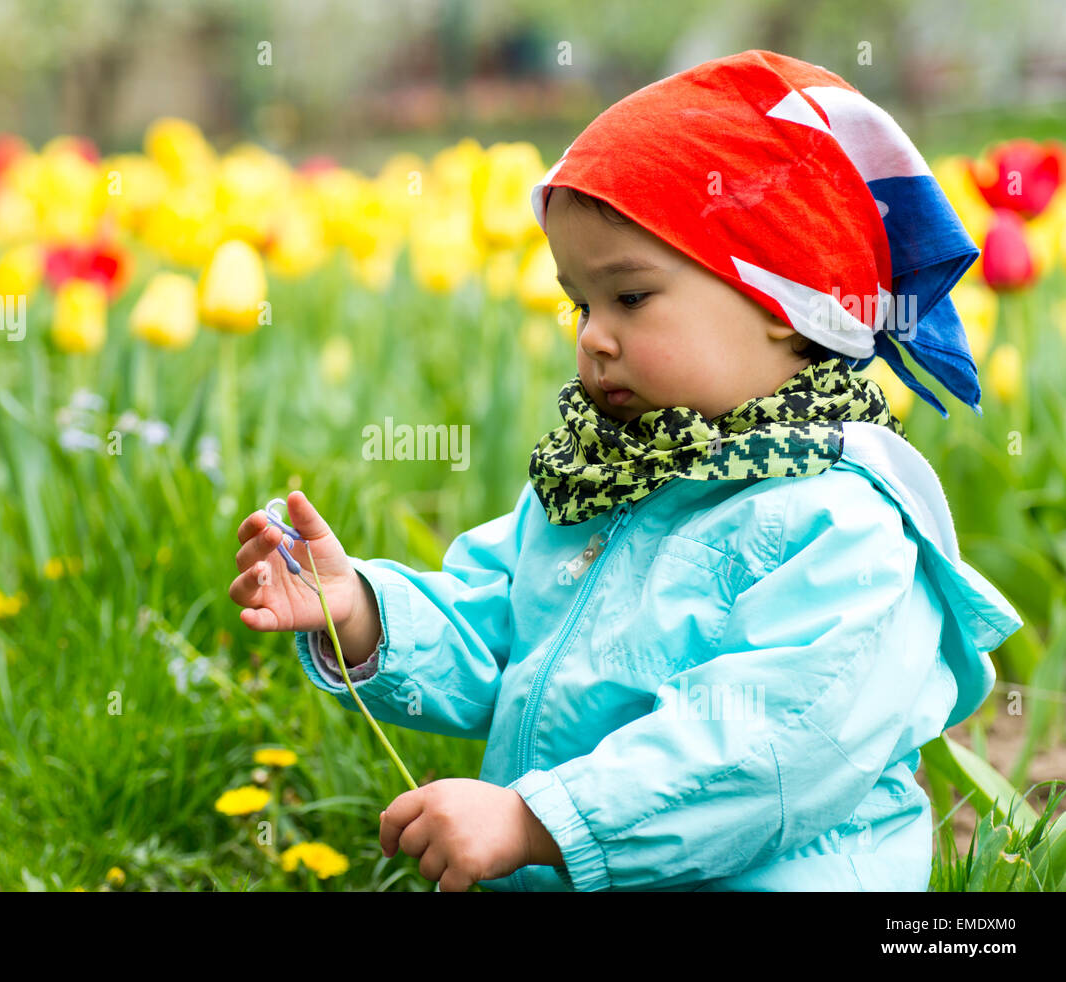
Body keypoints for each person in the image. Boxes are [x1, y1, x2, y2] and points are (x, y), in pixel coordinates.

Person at [229, 50, 1024, 892]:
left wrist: (538, 820)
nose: (592, 337)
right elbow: (492, 624)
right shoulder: (604, 478)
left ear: (790, 305)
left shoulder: (843, 525)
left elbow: (767, 747)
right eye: (580, 302)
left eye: (630, 298)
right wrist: (358, 609)